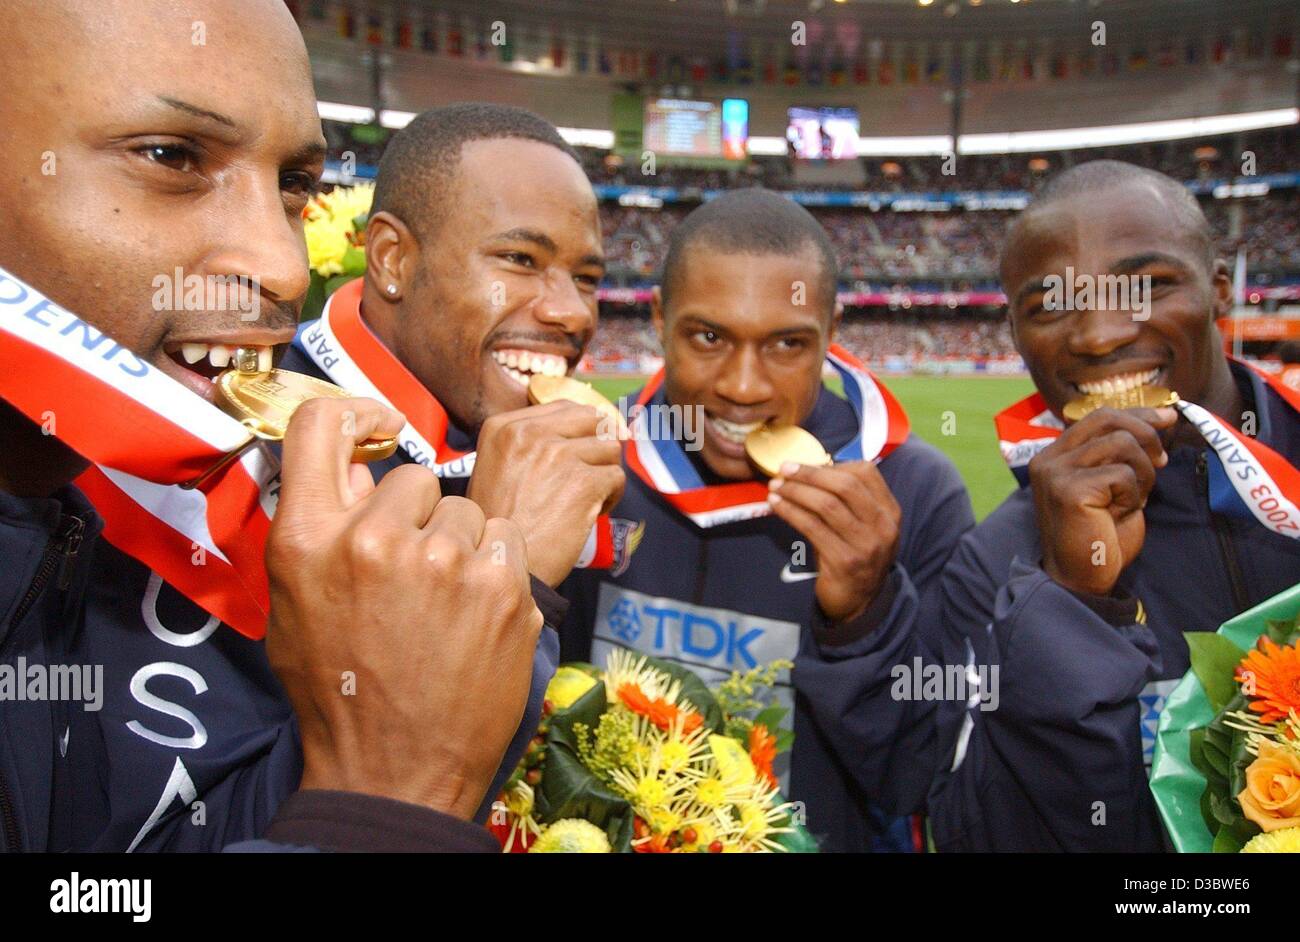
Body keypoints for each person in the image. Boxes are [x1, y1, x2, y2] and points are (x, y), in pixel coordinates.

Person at [0, 0, 545, 853]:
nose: (284, 266)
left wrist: (388, 736)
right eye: (170, 157)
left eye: (294, 186)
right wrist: (386, 798)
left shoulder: (49, 507)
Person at [557, 190, 974, 852]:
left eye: (786, 343)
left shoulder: (913, 492)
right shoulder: (592, 457)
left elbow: (915, 783)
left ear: (831, 335)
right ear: (659, 319)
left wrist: (865, 620)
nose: (744, 386)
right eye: (709, 336)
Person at [927, 161, 1300, 851]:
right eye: (1050, 305)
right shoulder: (992, 565)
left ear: (1218, 291)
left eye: (1146, 287)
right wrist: (1070, 604)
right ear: (1013, 332)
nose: (1098, 335)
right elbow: (971, 839)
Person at [281, 103, 627, 591]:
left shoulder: (565, 454)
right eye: (520, 259)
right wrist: (505, 569)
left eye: (587, 278)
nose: (573, 312)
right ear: (392, 259)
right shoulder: (258, 438)